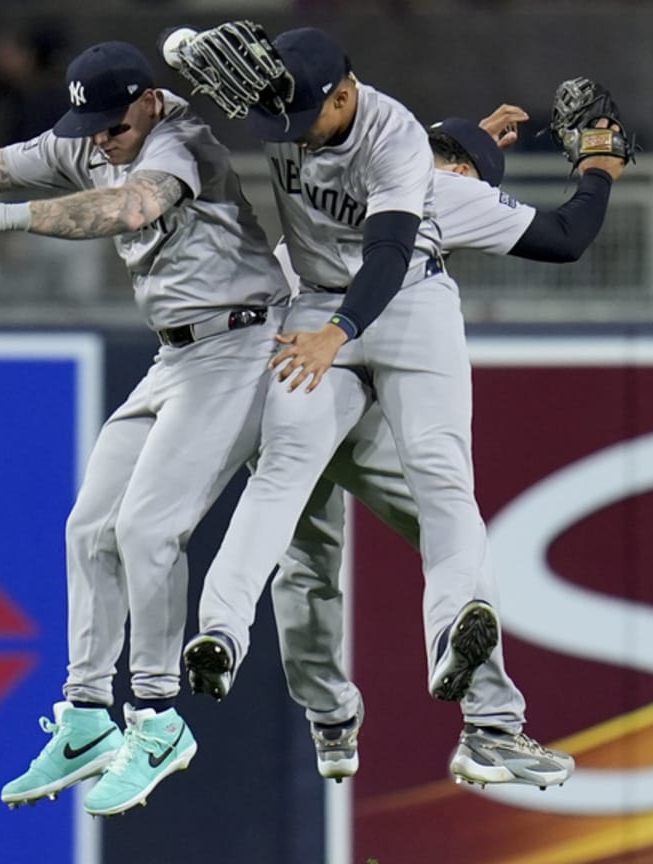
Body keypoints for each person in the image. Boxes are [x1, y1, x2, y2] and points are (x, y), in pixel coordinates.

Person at [0, 40, 290, 817]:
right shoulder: (91, 133)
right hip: (176, 355)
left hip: (244, 343)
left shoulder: (181, 141)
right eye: (94, 125)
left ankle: (156, 719)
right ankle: (86, 716)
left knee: (148, 529)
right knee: (89, 527)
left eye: (114, 124)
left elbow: (126, 207)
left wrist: (4, 218)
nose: (102, 140)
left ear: (150, 98)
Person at [159, 25, 531, 785]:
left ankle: (474, 694)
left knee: (437, 502)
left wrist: (592, 174)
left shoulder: (412, 162)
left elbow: (400, 247)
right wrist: (190, 50)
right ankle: (250, 653)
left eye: (463, 167)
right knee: (306, 544)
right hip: (308, 333)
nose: (287, 134)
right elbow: (214, 72)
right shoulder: (320, 112)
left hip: (360, 332)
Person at [268, 108, 627, 787]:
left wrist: (469, 135)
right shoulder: (446, 188)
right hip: (345, 349)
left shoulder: (356, 165)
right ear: (462, 171)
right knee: (450, 526)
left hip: (282, 360)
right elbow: (565, 235)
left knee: (305, 556)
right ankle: (489, 727)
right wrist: (597, 172)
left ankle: (329, 711)